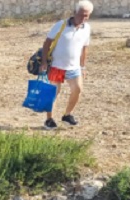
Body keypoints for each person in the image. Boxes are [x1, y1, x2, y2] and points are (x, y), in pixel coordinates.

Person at [39, 0, 92, 130]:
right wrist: (44, 61)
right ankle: (49, 119)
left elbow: (84, 48)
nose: (82, 18)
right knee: (53, 93)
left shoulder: (87, 28)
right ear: (74, 13)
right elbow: (47, 43)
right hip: (57, 66)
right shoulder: (61, 25)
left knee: (77, 89)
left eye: (86, 15)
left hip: (74, 68)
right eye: (80, 14)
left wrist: (83, 66)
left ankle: (67, 115)